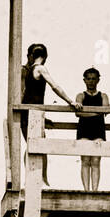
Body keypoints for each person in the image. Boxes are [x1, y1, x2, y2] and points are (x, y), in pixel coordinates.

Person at [20, 44, 76, 185]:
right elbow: (55, 86)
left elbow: (30, 95)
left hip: (28, 114)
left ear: (32, 56)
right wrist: (70, 101)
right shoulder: (40, 68)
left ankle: (34, 179)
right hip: (33, 115)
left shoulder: (28, 71)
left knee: (33, 146)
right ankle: (40, 180)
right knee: (39, 147)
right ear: (44, 57)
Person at [75, 68, 108, 192]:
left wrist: (87, 112)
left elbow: (106, 109)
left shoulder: (103, 95)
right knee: (85, 160)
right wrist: (97, 113)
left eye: (94, 78)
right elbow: (78, 113)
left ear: (98, 80)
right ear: (84, 80)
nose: (91, 81)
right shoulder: (81, 95)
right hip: (84, 129)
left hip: (98, 130)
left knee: (96, 160)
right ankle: (86, 190)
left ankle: (94, 190)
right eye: (88, 79)